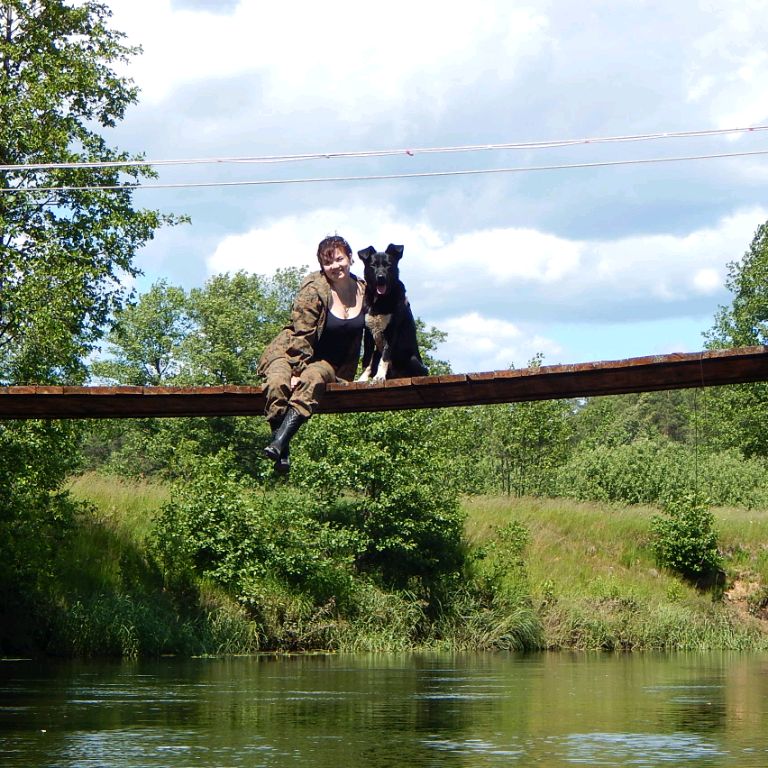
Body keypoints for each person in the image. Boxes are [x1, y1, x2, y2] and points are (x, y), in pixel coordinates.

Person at [258, 234, 366, 473]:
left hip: (329, 362)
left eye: (339, 259)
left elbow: (387, 311)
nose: (335, 266)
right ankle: (281, 449)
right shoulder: (314, 289)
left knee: (313, 377)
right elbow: (302, 333)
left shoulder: (364, 290)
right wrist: (295, 369)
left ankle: (279, 444)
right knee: (278, 382)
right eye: (328, 263)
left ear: (350, 258)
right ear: (322, 266)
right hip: (290, 351)